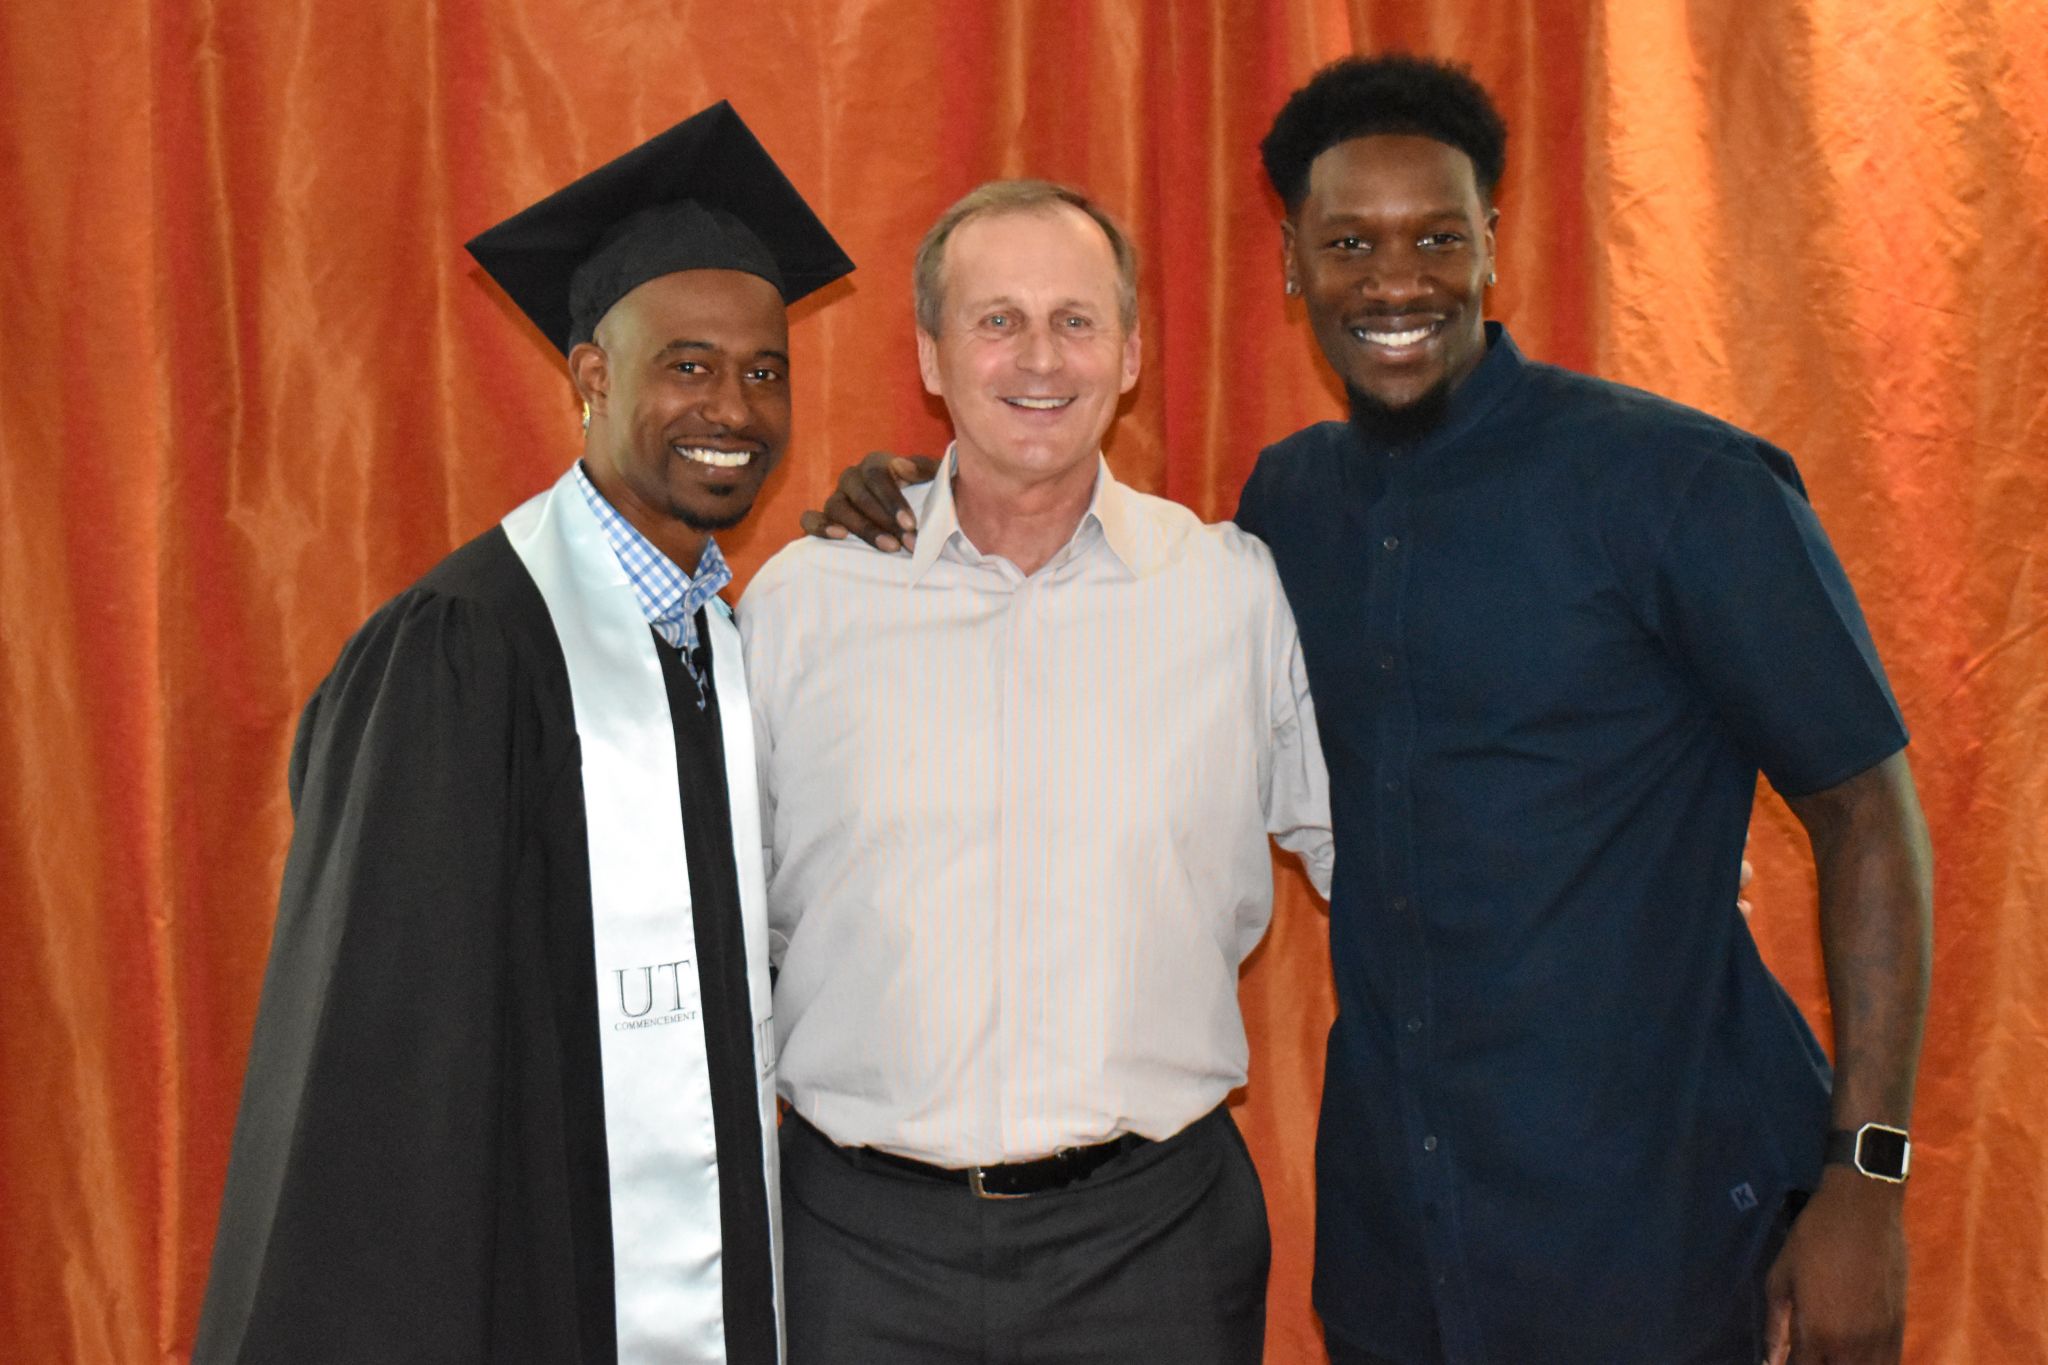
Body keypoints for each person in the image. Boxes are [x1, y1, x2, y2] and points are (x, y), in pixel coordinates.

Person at [805, 56, 1933, 1365]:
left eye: (1436, 239)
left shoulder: (1679, 486)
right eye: (1349, 242)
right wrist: (917, 501)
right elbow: (1102, 641)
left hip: (1658, 1220)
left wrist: (1870, 1175)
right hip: (1402, 1239)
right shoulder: (1287, 512)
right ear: (1292, 266)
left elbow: (1867, 811)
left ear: (1492, 247)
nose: (1395, 280)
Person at [194, 102, 852, 1365]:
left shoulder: (713, 634)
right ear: (590, 375)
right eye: (687, 364)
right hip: (522, 1286)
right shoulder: (461, 649)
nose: (734, 405)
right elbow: (376, 1074)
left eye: (764, 370)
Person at [737, 180, 1333, 1363]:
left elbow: (1378, 861)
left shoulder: (1228, 593)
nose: (1037, 358)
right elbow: (722, 927)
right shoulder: (801, 605)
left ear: (1128, 355)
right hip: (857, 1251)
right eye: (994, 320)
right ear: (928, 353)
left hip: (1151, 1249)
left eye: (1074, 320)